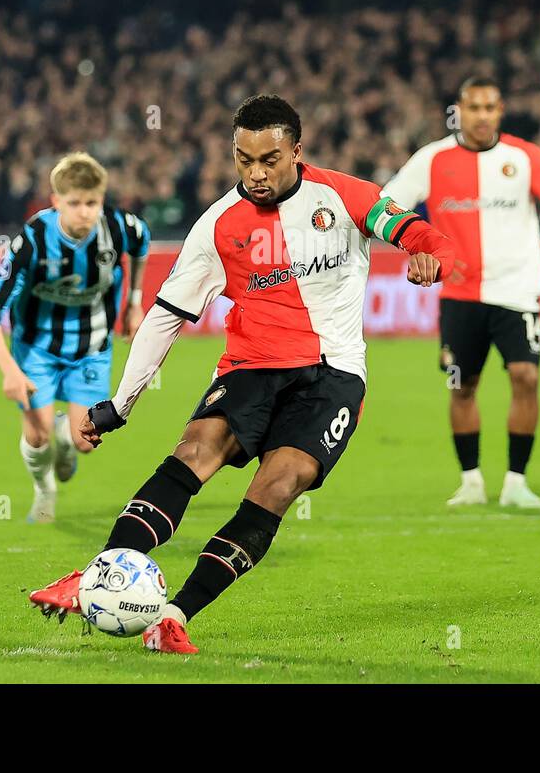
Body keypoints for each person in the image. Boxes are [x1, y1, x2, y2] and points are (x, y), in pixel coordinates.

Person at [28, 94, 456, 653]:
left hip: (334, 376)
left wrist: (429, 256)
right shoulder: (217, 226)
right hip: (252, 365)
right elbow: (165, 316)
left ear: (296, 152)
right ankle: (94, 577)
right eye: (244, 159)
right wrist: (120, 404)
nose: (256, 173)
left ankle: (174, 617)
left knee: (279, 485)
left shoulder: (345, 197)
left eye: (269, 160)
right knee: (194, 452)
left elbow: (420, 233)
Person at [381, 77, 540, 509]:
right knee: (462, 386)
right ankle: (471, 481)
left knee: (526, 377)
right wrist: (415, 246)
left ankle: (516, 482)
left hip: (517, 290)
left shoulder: (523, 156)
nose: (482, 116)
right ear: (459, 111)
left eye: (490, 107)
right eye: (473, 107)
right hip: (460, 295)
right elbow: (384, 206)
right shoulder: (432, 159)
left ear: (501, 111)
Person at [0, 152, 149, 523]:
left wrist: (135, 303)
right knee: (38, 438)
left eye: (92, 203)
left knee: (85, 442)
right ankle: (44, 490)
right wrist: (9, 370)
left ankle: (67, 436)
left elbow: (142, 243)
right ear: (56, 201)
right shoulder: (32, 241)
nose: (84, 212)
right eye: (74, 203)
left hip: (91, 347)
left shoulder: (120, 226)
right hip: (36, 348)